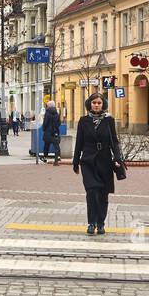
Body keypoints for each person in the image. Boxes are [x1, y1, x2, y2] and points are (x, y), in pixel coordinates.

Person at [73, 91, 125, 235]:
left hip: (105, 161)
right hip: (88, 162)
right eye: (94, 103)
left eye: (99, 103)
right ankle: (91, 223)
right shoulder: (83, 121)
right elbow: (79, 142)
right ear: (89, 104)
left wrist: (118, 158)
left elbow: (114, 141)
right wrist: (75, 161)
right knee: (91, 191)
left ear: (103, 105)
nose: (96, 105)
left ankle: (101, 223)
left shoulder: (109, 121)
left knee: (103, 194)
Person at [42, 100, 62, 164]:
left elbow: (45, 123)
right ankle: (58, 156)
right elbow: (59, 123)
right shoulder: (56, 113)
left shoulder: (47, 113)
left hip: (48, 131)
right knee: (56, 144)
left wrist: (44, 128)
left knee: (46, 144)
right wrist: (56, 127)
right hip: (55, 131)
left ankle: (45, 157)